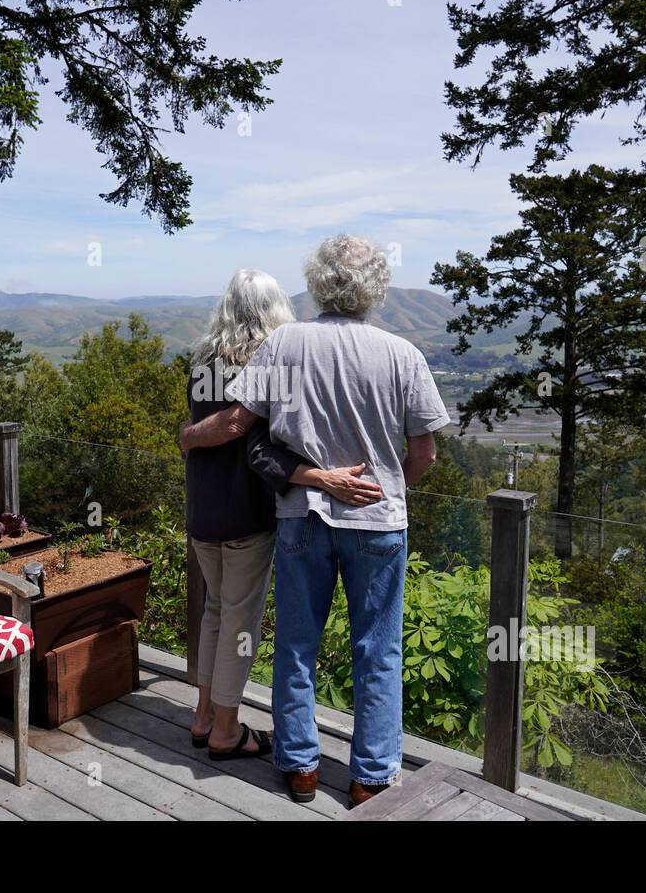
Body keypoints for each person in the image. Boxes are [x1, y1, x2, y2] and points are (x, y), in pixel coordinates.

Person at [180, 235, 450, 807]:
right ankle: (369, 775)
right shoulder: (403, 354)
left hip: (300, 518)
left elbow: (243, 424)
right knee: (378, 649)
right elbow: (423, 452)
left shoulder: (283, 344)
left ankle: (300, 765)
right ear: (376, 285)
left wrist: (190, 437)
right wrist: (386, 490)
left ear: (318, 281)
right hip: (376, 522)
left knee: (297, 644)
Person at [183, 268, 383, 761]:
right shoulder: (271, 363)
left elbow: (212, 427)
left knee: (214, 612)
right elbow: (253, 433)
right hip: (248, 511)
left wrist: (187, 436)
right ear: (275, 309)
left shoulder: (203, 362)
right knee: (241, 623)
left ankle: (204, 715)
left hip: (203, 509)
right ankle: (227, 731)